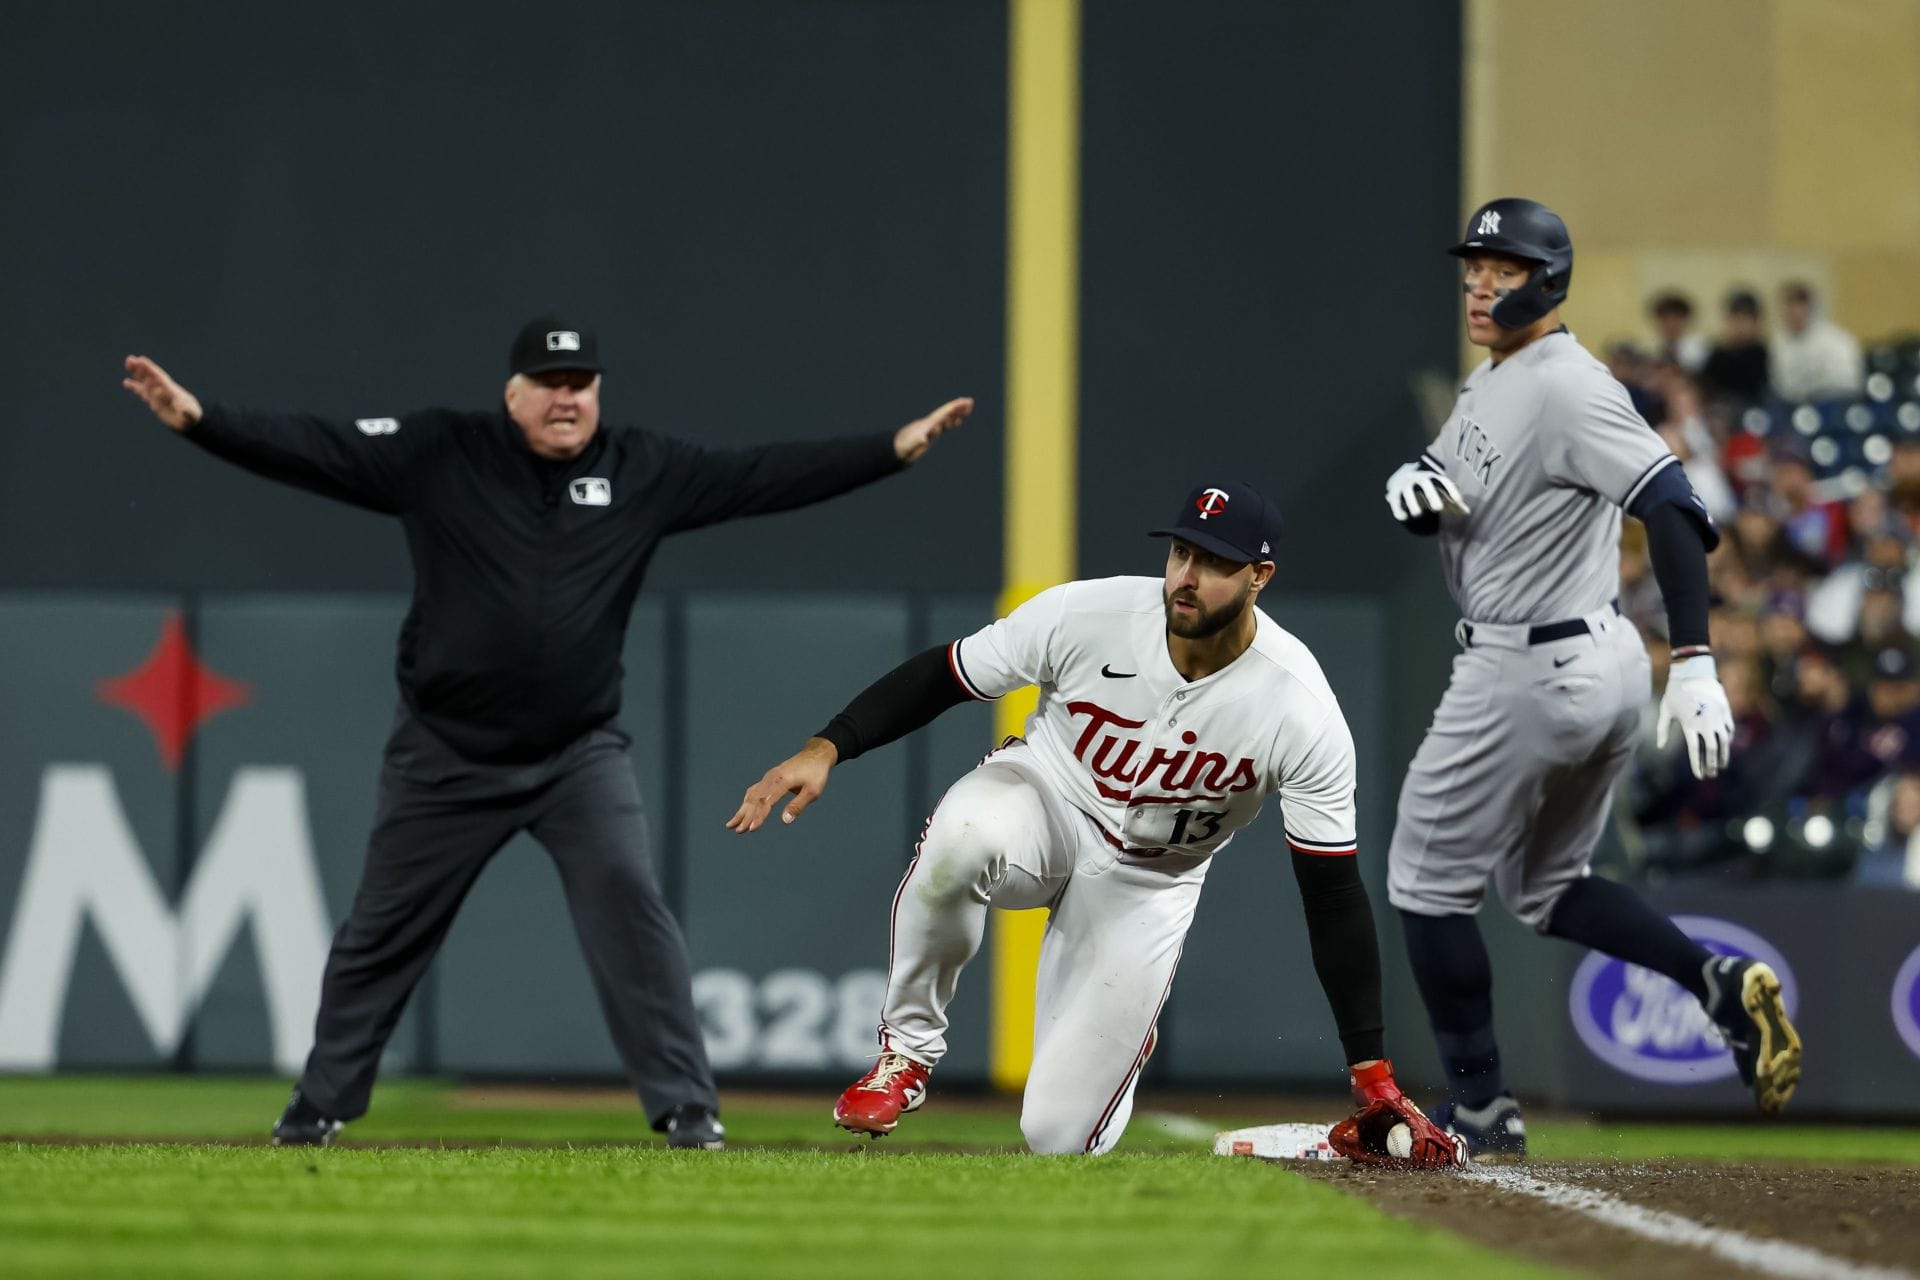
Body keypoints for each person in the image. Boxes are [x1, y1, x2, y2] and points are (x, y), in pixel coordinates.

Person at [120, 316, 974, 1150]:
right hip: (443, 756)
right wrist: (199, 421)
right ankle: (320, 1105)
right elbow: (314, 447)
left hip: (575, 756)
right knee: (378, 937)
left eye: (581, 384)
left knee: (635, 923)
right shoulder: (440, 452)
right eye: (550, 384)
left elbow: (764, 474)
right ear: (513, 391)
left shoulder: (643, 468)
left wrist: (891, 449)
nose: (567, 399)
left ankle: (686, 1110)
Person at [726, 483, 1462, 1167]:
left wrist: (1372, 1073)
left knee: (1056, 1138)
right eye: (1182, 552)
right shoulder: (1090, 615)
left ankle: (1303, 1136)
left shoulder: (1298, 706)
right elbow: (945, 675)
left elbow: (1332, 894)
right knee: (962, 839)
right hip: (1046, 799)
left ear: (1259, 578)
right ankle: (906, 1055)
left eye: (1215, 563)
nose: (1187, 575)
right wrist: (828, 747)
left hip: (1149, 879)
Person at [1381, 198, 1803, 1160]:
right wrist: (1422, 495)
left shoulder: (1569, 384)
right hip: (1588, 659)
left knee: (1425, 884)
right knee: (1545, 886)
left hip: (1528, 663)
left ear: (1551, 280)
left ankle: (1483, 1108)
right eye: (1476, 264)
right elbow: (1460, 494)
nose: (1483, 280)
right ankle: (1713, 981)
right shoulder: (1499, 379)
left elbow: (1674, 504)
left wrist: (1695, 657)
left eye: (1506, 266)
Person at [1769, 281, 1864, 402]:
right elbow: (1781, 385)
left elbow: (1849, 382)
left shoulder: (1837, 341)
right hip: (1794, 405)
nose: (1794, 311)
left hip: (1834, 403)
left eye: (1799, 305)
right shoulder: (1779, 344)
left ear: (1810, 307)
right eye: (1789, 306)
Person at [1700, 288, 1770, 406]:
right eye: (1735, 318)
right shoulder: (1718, 355)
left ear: (1756, 322)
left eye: (1745, 319)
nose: (1740, 325)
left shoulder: (1764, 354)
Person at [1647, 289, 1709, 373]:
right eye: (1664, 319)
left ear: (1686, 319)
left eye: (1675, 319)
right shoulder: (1655, 350)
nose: (1670, 324)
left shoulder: (1700, 346)